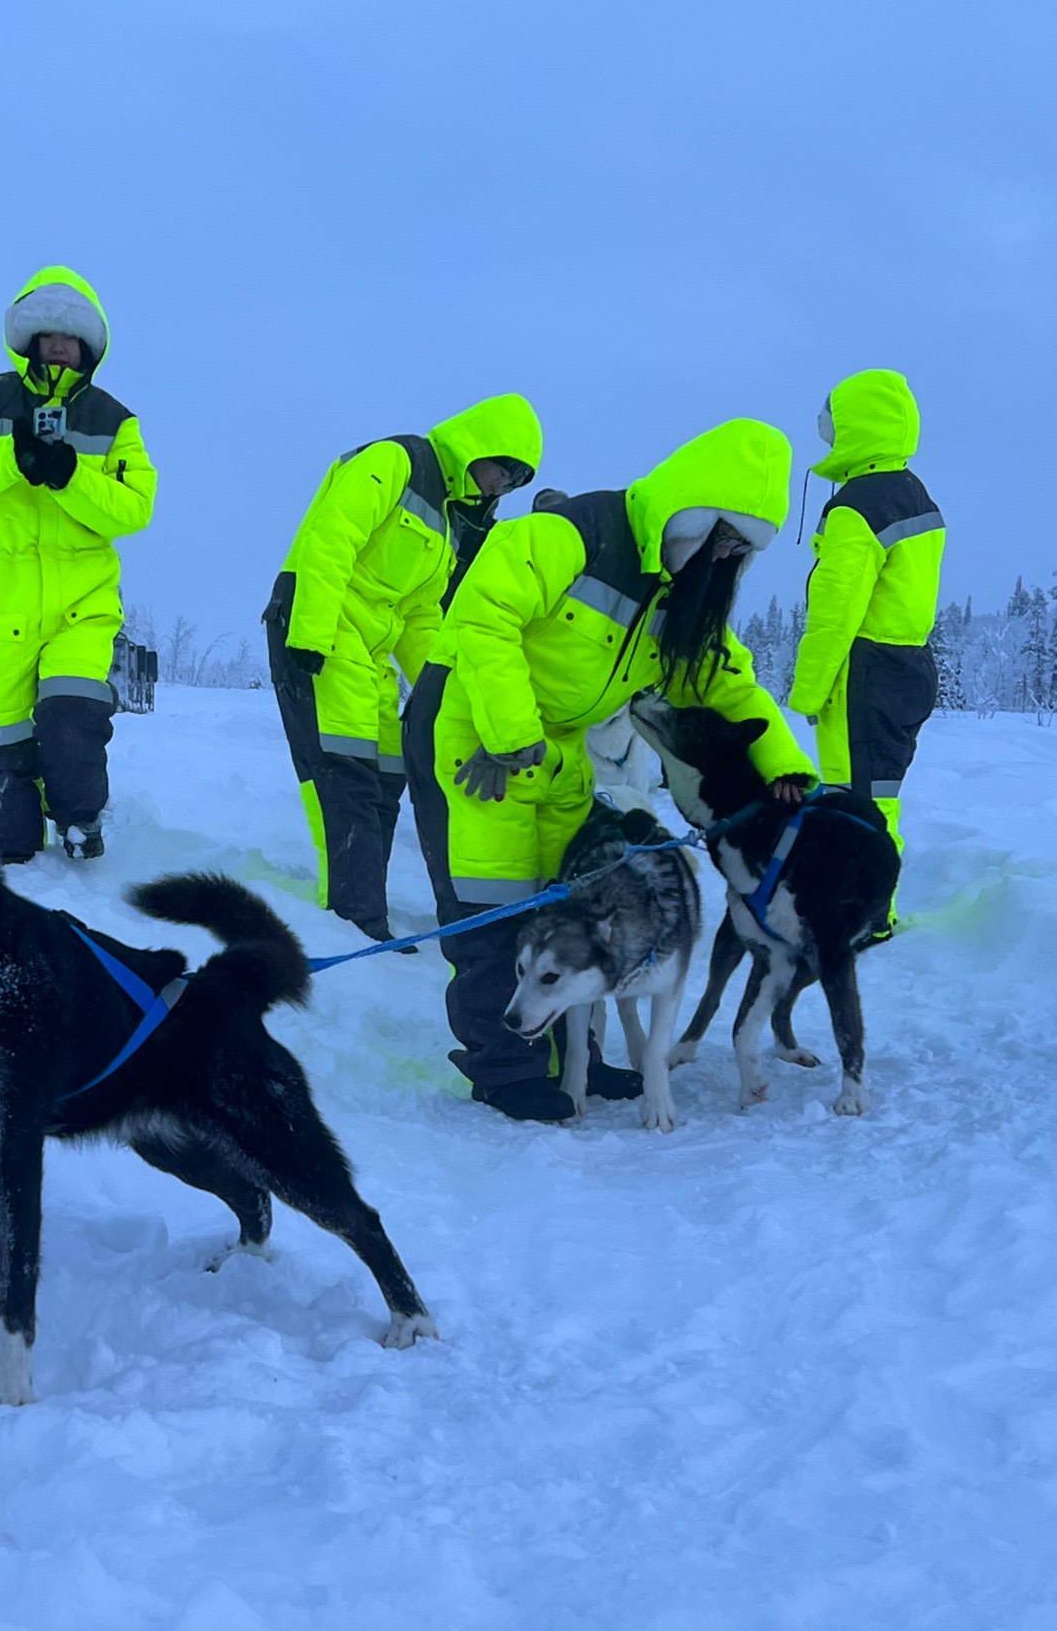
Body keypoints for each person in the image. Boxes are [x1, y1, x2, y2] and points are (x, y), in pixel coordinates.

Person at [404, 418, 817, 1123]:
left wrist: (783, 763)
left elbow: (725, 681)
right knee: (493, 906)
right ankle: (505, 1073)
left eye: (737, 550)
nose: (723, 556)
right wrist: (507, 736)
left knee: (565, 911)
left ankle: (581, 1063)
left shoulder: (675, 597)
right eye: (721, 535)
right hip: (474, 732)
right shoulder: (572, 535)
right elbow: (482, 619)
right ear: (690, 508)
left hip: (554, 751)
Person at [265, 396, 543, 942]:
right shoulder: (398, 461)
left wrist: (441, 686)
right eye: (502, 473)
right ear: (482, 447)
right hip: (319, 628)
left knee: (387, 776)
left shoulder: (446, 522)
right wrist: (310, 634)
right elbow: (331, 537)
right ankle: (354, 920)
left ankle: (366, 910)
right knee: (343, 774)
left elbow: (420, 615)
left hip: (369, 652)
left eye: (512, 486)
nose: (499, 490)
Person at [0, 266, 156, 863]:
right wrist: (11, 456)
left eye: (71, 335)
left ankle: (80, 824)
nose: (59, 344)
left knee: (71, 724)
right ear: (28, 338)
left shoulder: (114, 419)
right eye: (49, 332)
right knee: (5, 791)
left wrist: (70, 475)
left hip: (82, 609)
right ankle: (22, 835)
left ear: (88, 347)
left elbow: (135, 508)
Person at [789, 369, 943, 911]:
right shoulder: (913, 494)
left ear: (855, 426)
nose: (826, 435)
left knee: (857, 803)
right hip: (909, 666)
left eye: (831, 424)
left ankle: (864, 912)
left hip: (865, 671)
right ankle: (867, 903)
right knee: (877, 799)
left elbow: (834, 616)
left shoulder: (857, 507)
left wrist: (807, 692)